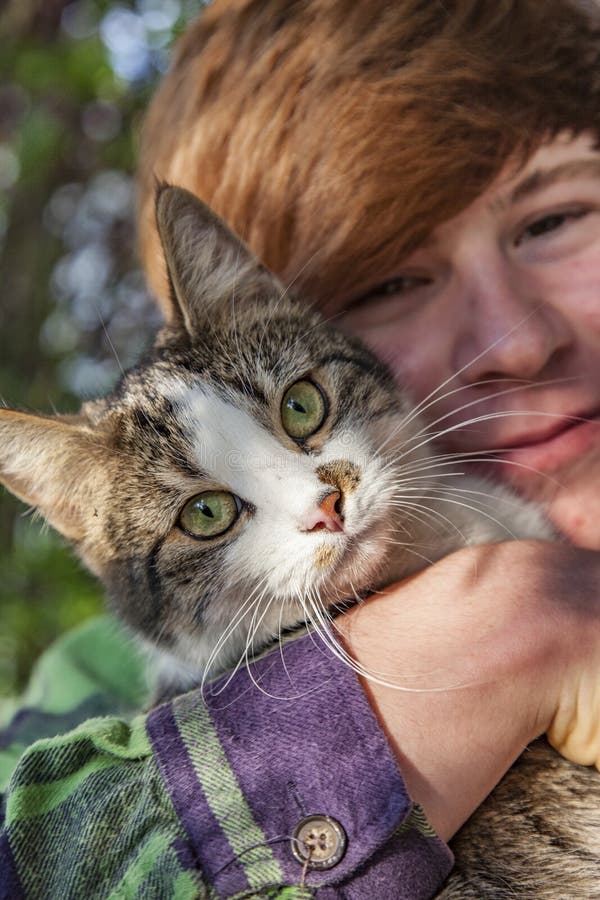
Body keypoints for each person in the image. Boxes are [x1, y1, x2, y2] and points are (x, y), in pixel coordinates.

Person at [2, 1, 600, 897]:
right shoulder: (84, 710)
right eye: (393, 281)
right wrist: (511, 627)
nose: (516, 341)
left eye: (552, 221)